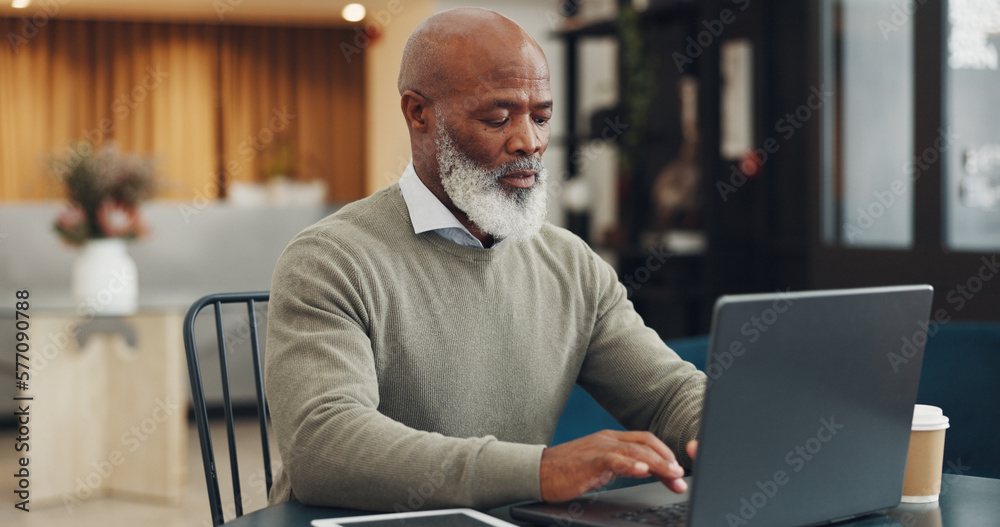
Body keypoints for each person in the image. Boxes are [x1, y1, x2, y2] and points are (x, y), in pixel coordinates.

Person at [264, 7, 705, 512]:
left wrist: (735, 426)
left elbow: (668, 393)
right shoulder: (329, 260)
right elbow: (324, 446)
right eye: (498, 117)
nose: (530, 142)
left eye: (541, 117)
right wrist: (540, 471)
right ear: (417, 113)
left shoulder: (570, 264)